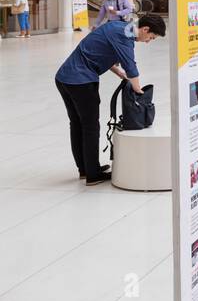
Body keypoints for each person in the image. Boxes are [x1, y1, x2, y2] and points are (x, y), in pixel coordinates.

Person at [55, 14, 166, 185]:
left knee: (77, 124)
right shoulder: (126, 36)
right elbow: (131, 66)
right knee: (90, 126)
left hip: (65, 77)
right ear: (145, 29)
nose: (148, 41)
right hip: (81, 80)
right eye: (151, 37)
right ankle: (93, 174)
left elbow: (98, 49)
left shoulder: (119, 27)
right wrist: (138, 90)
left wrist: (117, 72)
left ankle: (85, 169)